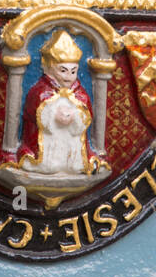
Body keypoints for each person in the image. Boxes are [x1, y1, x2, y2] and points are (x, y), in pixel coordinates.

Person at [16, 29, 99, 176]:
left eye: (73, 72)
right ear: (49, 68)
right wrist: (52, 114)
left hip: (71, 146)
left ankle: (75, 164)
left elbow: (85, 117)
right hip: (46, 145)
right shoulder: (40, 91)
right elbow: (35, 115)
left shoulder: (79, 92)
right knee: (47, 165)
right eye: (63, 71)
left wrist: (77, 116)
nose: (69, 78)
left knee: (75, 160)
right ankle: (45, 164)